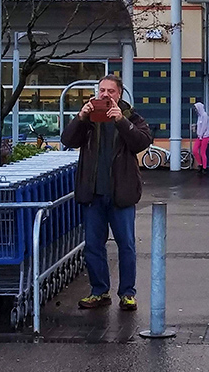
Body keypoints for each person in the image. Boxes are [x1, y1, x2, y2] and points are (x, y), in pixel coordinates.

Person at [61, 74, 151, 311]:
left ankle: (127, 293)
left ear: (119, 94)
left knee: (126, 245)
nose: (105, 95)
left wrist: (121, 121)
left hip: (121, 193)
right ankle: (99, 292)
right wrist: (80, 118)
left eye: (110, 91)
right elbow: (68, 140)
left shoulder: (131, 116)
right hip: (93, 194)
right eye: (102, 90)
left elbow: (142, 142)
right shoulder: (89, 119)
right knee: (93, 245)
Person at [193, 101, 209, 174]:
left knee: (202, 152)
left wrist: (201, 134)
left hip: (205, 136)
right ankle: (200, 164)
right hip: (199, 136)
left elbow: (204, 126)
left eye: (196, 108)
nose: (195, 110)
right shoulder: (199, 116)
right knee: (195, 150)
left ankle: (204, 167)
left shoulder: (204, 115)